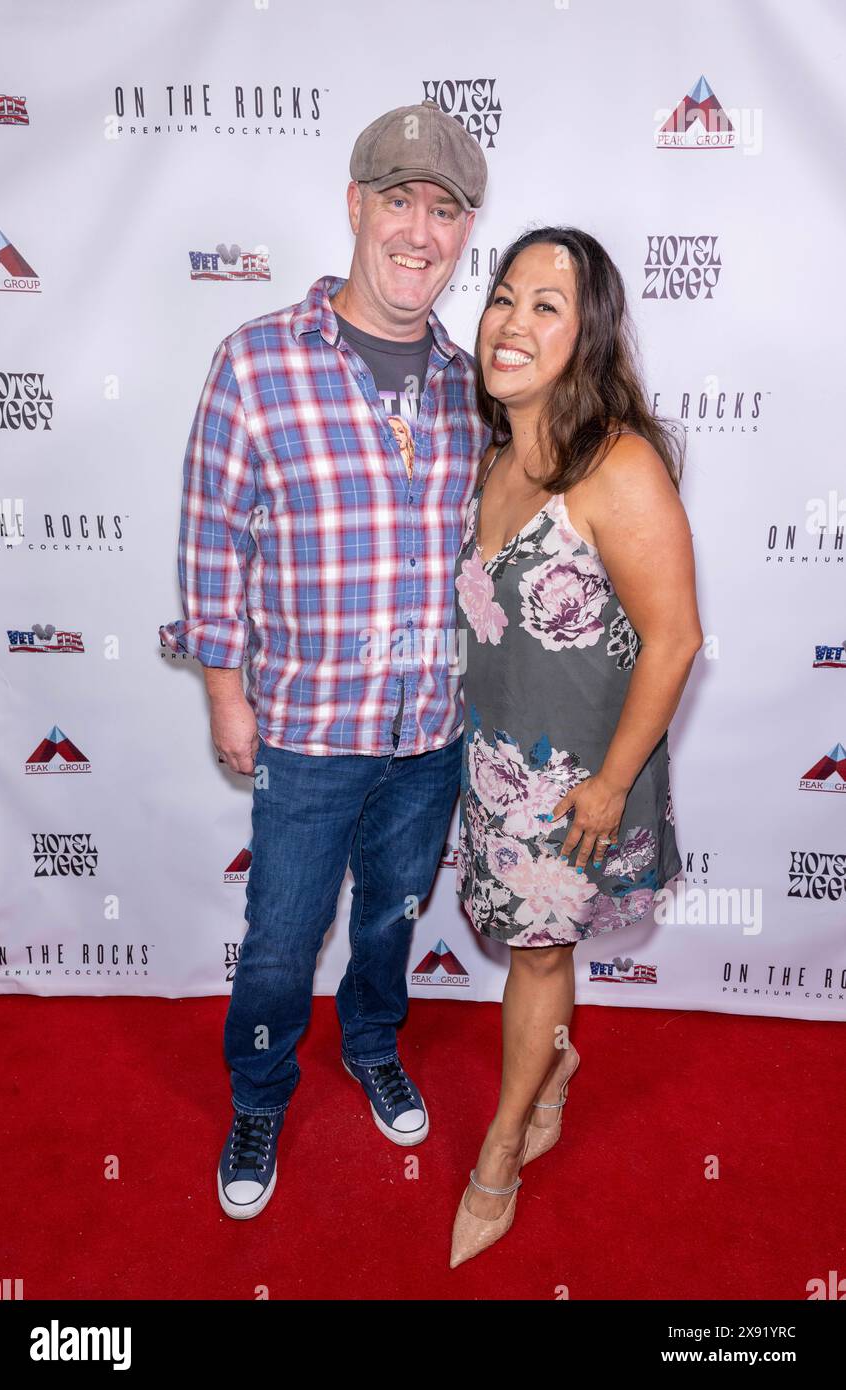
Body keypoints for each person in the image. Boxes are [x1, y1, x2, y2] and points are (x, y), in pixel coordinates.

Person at [159, 100, 490, 1219]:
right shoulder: (256, 362)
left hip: (428, 733)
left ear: (462, 232)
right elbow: (212, 534)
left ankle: (370, 1042)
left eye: (443, 210)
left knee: (393, 917)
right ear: (354, 207)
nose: (418, 231)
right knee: (282, 936)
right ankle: (259, 1091)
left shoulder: (466, 383)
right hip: (304, 731)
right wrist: (222, 688)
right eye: (398, 199)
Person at [449, 228, 704, 1266]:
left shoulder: (619, 464)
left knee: (540, 955)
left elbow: (674, 638)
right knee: (530, 952)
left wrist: (608, 784)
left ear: (585, 332)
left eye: (545, 305)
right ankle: (552, 1069)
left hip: (577, 784)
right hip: (495, 768)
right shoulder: (494, 457)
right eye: (503, 297)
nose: (511, 321)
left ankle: (503, 1146)